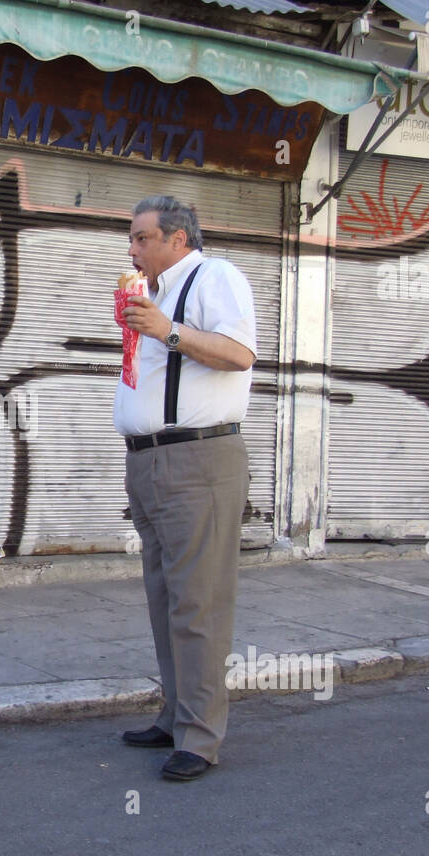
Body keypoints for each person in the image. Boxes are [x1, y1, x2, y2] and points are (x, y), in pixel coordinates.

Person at [116, 195, 256, 781]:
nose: (132, 248)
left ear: (177, 238)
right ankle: (176, 714)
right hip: (149, 463)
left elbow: (240, 353)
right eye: (132, 238)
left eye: (142, 238)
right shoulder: (153, 292)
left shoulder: (213, 275)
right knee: (164, 599)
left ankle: (199, 737)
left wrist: (168, 331)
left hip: (198, 460)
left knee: (198, 602)